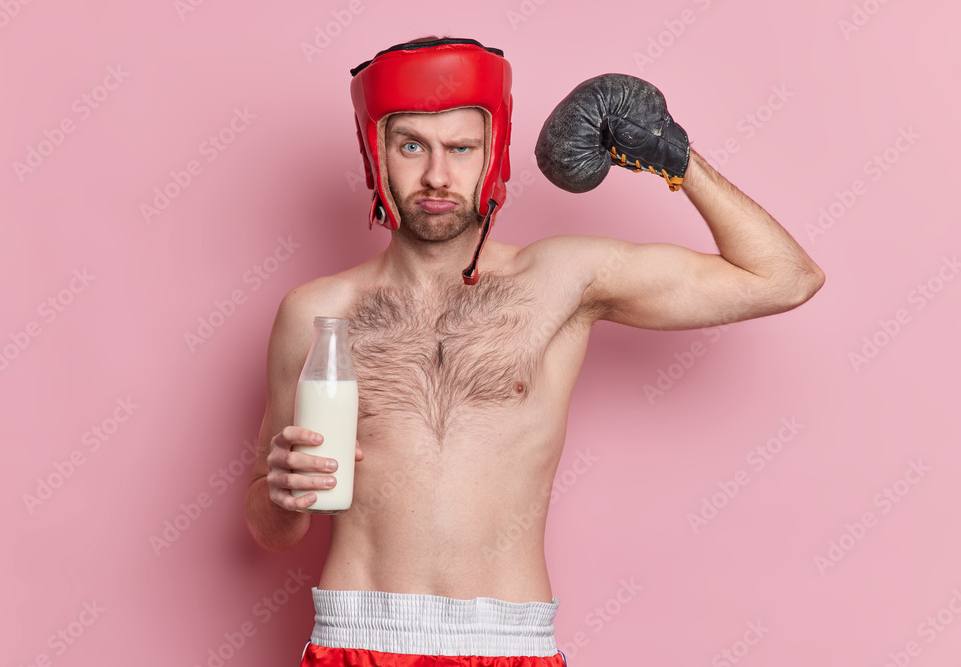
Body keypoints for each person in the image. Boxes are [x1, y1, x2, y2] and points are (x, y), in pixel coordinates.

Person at [244, 37, 824, 666]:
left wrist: (675, 158)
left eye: (461, 148)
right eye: (411, 145)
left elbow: (785, 278)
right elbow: (271, 528)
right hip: (357, 639)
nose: (437, 175)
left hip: (507, 642)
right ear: (374, 151)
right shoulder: (315, 312)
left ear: (494, 153)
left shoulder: (561, 279)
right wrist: (279, 495)